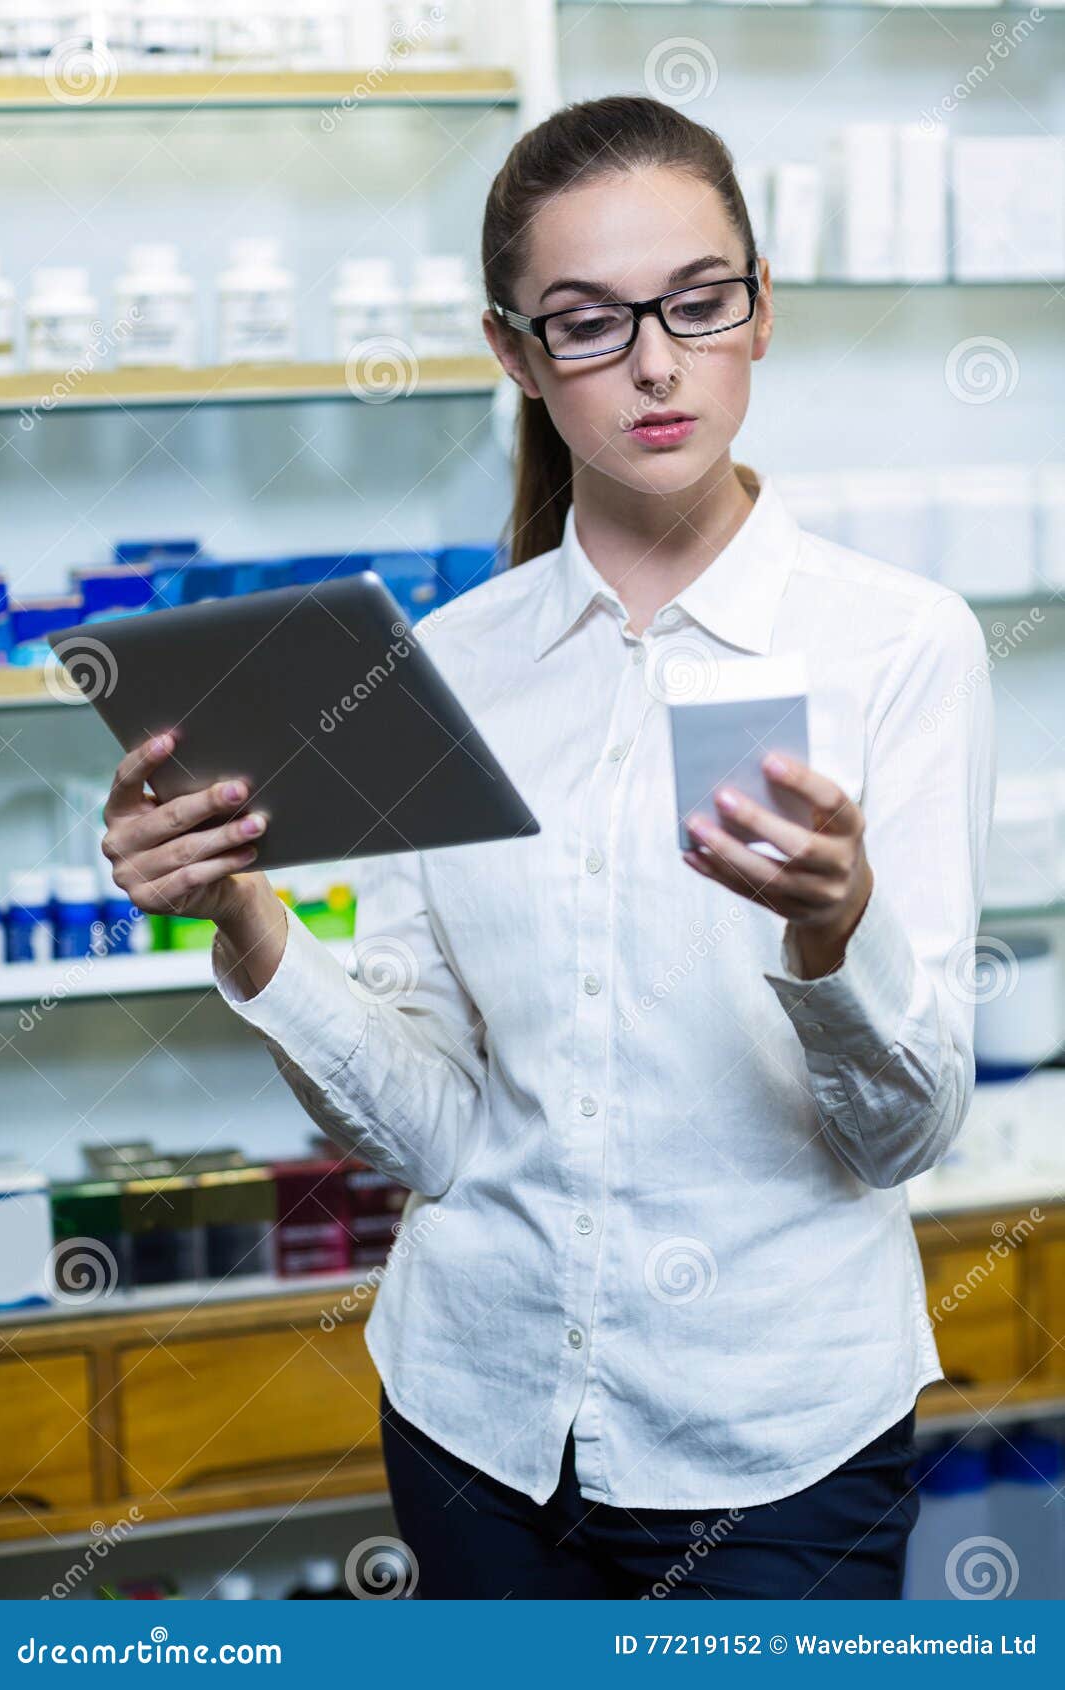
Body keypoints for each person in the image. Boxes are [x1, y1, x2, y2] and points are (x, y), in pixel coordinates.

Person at [100, 95, 995, 1599]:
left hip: (776, 1457)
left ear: (760, 311)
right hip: (475, 1433)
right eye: (586, 323)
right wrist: (248, 921)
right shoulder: (436, 670)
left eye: (699, 304)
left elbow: (901, 1135)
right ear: (515, 353)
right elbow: (430, 1137)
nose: (656, 359)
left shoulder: (900, 647)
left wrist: (834, 940)